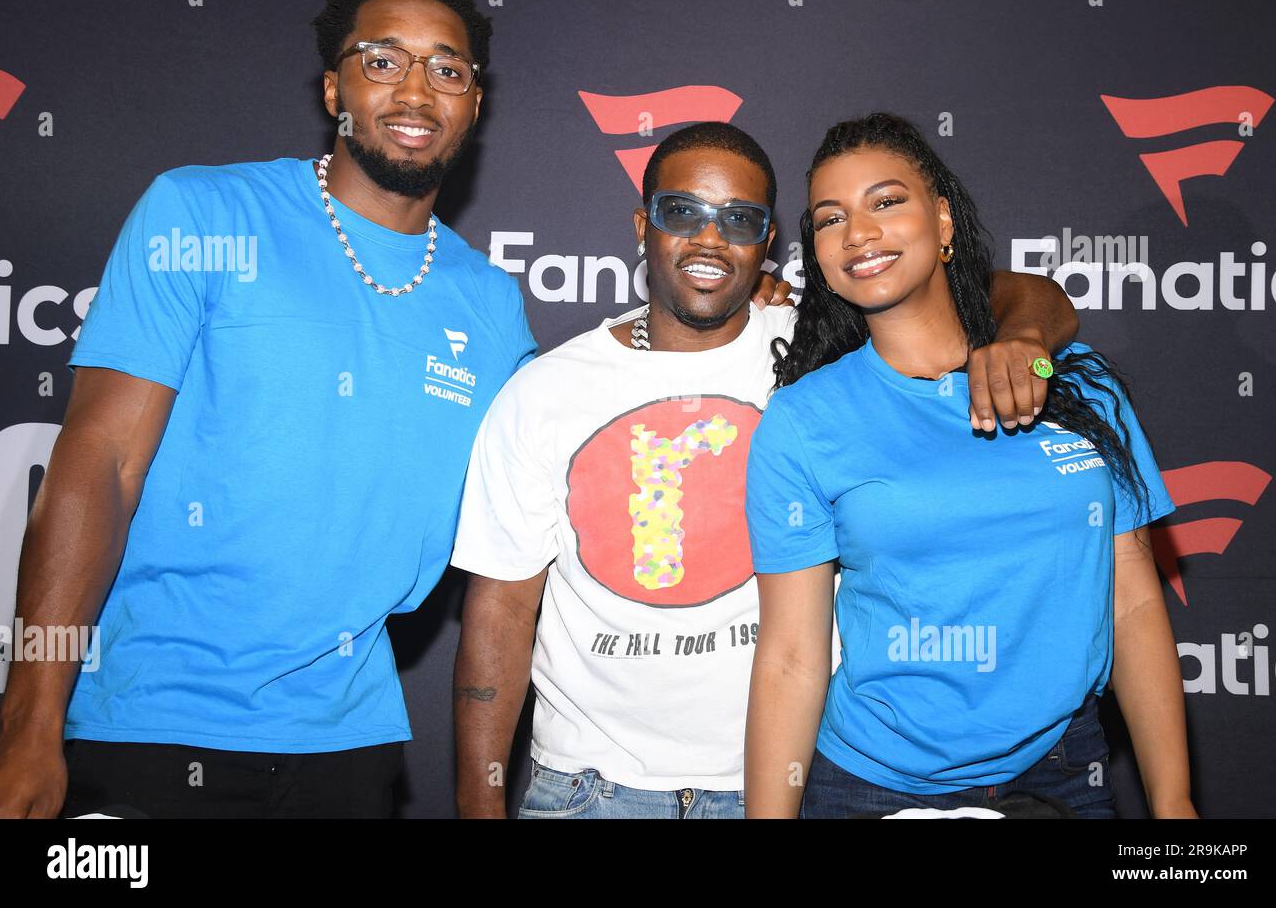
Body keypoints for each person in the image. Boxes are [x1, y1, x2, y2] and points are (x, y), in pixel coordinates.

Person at [0, 0, 534, 819]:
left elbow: (548, 488)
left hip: (352, 750)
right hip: (150, 729)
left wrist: (752, 309)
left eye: (447, 68)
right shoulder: (202, 217)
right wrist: (29, 719)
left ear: (474, 100)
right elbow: (97, 464)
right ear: (334, 89)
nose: (415, 89)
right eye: (382, 59)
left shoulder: (492, 304)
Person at [450, 121, 1080, 819]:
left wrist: (1023, 341)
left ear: (769, 244)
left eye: (739, 219)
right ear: (642, 224)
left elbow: (1015, 293)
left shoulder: (818, 346)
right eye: (681, 212)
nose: (709, 238)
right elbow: (502, 608)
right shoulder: (545, 392)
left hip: (794, 779)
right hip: (586, 791)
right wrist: (480, 801)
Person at [743, 112, 1196, 819]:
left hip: (1065, 776)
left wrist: (1175, 807)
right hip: (870, 786)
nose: (858, 232)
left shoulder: (1077, 384)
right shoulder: (803, 421)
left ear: (944, 219)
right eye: (831, 219)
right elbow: (792, 658)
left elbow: (1133, 602)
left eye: (886, 201)